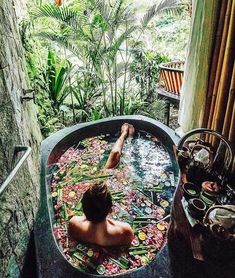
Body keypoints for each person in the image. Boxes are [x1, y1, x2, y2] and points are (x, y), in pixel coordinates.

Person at [69, 123, 135, 246]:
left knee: (109, 170)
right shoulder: (125, 231)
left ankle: (125, 136)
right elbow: (115, 154)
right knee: (115, 163)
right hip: (110, 230)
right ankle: (126, 136)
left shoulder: (74, 225)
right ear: (111, 210)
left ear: (83, 208)